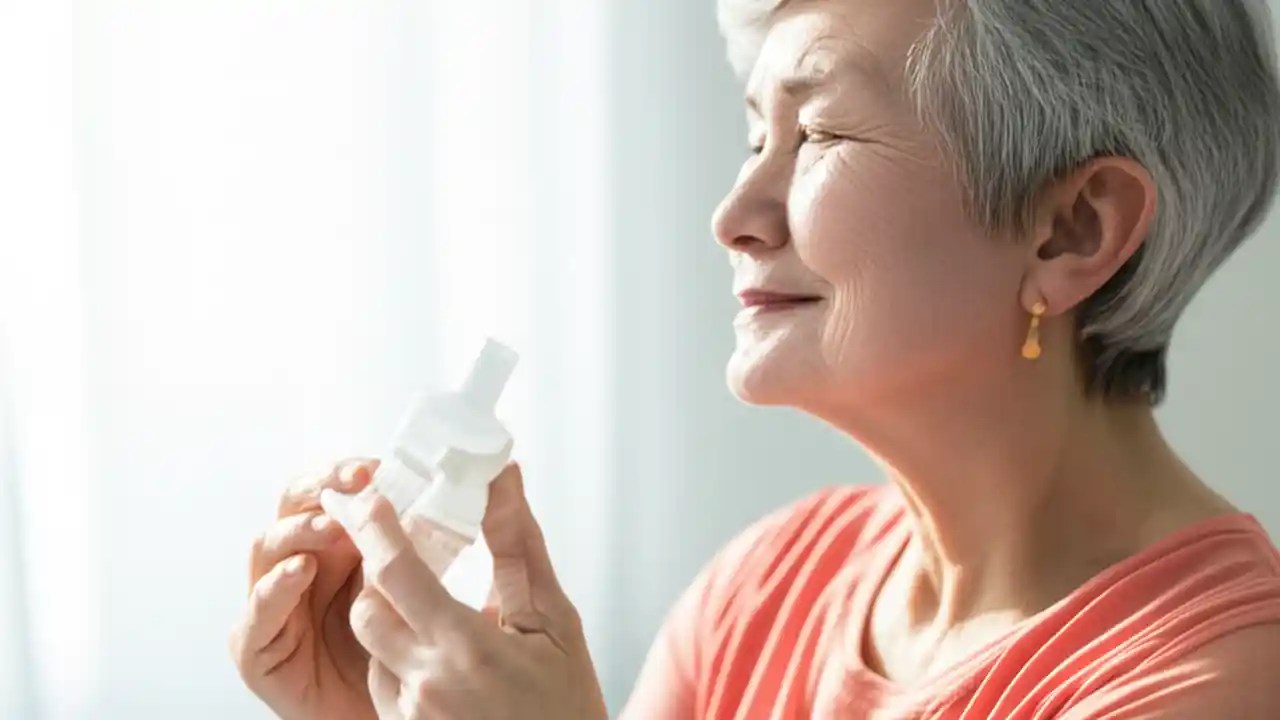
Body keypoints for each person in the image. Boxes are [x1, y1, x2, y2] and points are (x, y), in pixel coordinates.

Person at [230, 0, 1280, 717]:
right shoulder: (765, 588)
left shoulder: (1212, 678)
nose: (732, 215)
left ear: (1070, 229)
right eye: (751, 139)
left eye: (816, 135)